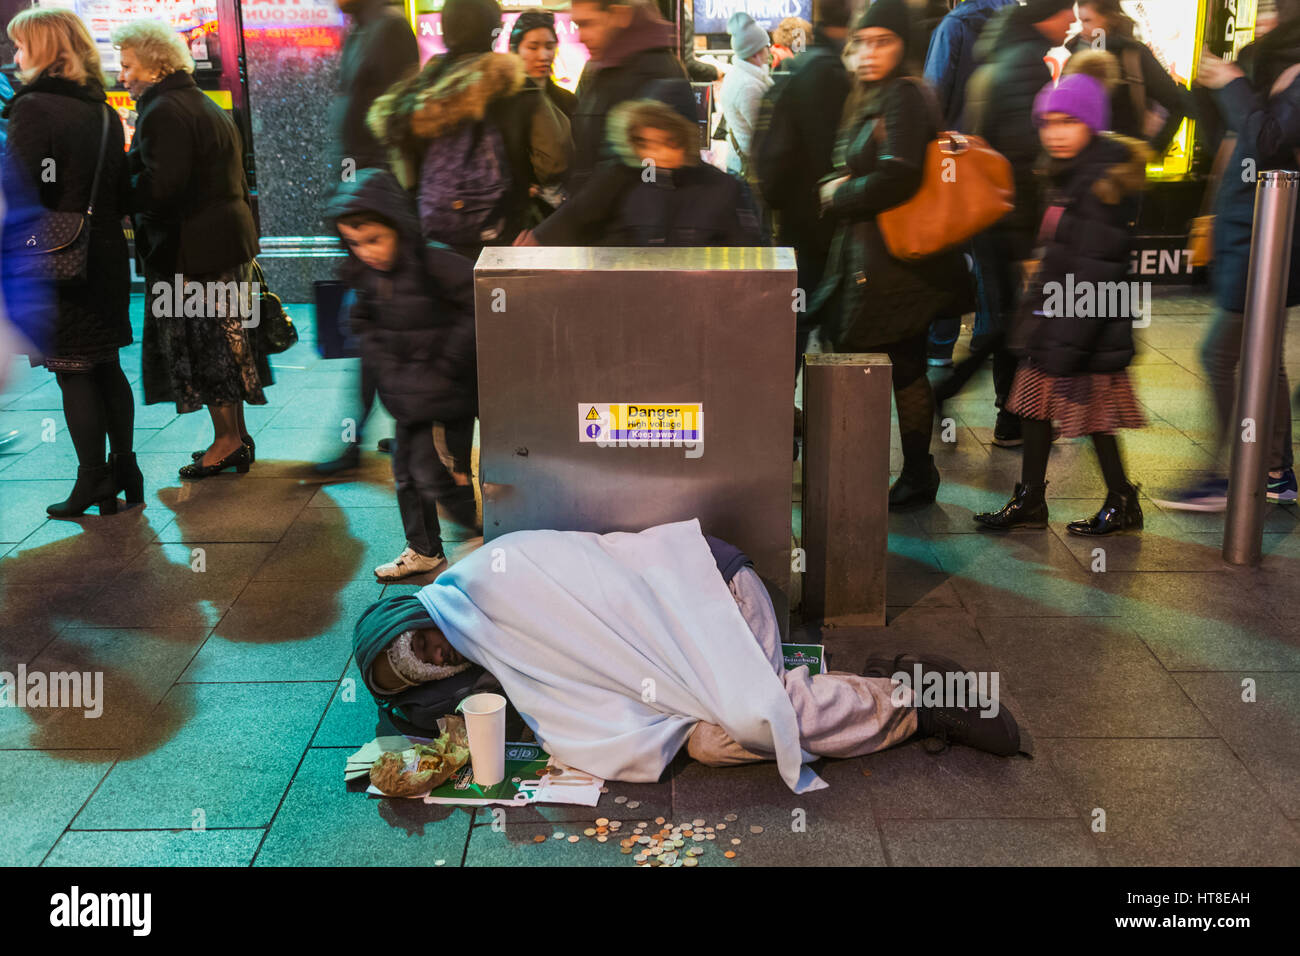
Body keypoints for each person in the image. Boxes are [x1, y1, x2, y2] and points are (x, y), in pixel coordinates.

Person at [353, 519, 1030, 789]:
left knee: (752, 715)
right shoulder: (487, 652)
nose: (438, 652)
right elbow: (574, 684)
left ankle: (918, 701)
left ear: (413, 615)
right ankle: (876, 691)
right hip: (679, 645)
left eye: (421, 642)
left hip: (711, 595)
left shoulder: (496, 576)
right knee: (709, 741)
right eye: (427, 665)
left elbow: (619, 614)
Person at [975, 62, 1149, 533]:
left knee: (1094, 418)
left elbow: (1096, 271)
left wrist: (1066, 344)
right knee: (1033, 405)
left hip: (1084, 325)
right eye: (1048, 122)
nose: (1055, 132)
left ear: (1091, 123)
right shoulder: (1069, 174)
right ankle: (1032, 498)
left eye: (1068, 121)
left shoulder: (1100, 185)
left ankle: (1122, 498)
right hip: (1059, 318)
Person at [810, 0, 963, 512]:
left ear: (903, 46)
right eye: (862, 42)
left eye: (883, 42)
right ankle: (915, 471)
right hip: (883, 257)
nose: (870, 53)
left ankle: (869, 472)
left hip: (890, 262)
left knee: (878, 360)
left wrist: (841, 194)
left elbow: (900, 173)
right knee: (903, 363)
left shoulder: (902, 95)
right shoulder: (877, 94)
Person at [1155, 9, 1300, 509]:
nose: (1264, 21)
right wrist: (1200, 83)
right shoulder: (1262, 66)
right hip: (1245, 227)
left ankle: (1233, 472)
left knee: (1218, 355)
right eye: (1260, 11)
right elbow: (1228, 137)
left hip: (1270, 233)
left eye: (1276, 11)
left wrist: (1234, 82)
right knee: (1264, 358)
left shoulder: (1292, 74)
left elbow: (1266, 142)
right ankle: (1276, 469)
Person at [116, 19, 266, 481]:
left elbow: (165, 189)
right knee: (226, 339)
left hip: (193, 250)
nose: (123, 76)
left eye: (127, 65)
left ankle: (226, 442)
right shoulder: (197, 101)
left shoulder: (163, 111)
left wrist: (124, 194)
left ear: (153, 63)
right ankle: (235, 437)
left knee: (209, 345)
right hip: (220, 242)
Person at [3, 8, 136, 516]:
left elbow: (22, 189)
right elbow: (122, 192)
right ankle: (126, 468)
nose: (15, 55)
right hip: (103, 252)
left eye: (20, 45)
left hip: (55, 254)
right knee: (105, 363)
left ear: (43, 48)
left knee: (72, 370)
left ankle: (93, 481)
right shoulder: (102, 110)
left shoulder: (33, 107)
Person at [326, 168, 479, 582]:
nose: (367, 252)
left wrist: (445, 364)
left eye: (374, 239)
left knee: (443, 474)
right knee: (406, 474)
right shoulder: (367, 275)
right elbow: (364, 329)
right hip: (407, 398)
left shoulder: (433, 262)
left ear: (397, 226)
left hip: (445, 398)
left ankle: (481, 535)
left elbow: (478, 305)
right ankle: (424, 550)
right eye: (355, 243)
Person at [941, 0, 1078, 448]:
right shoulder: (1026, 66)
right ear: (1045, 14)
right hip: (1011, 218)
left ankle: (998, 406)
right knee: (1011, 319)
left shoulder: (1000, 54)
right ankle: (1006, 412)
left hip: (988, 212)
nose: (1073, 21)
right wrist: (1025, 246)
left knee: (1003, 314)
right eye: (1066, 11)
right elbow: (1020, 162)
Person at [368, 0, 559, 254]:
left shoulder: (419, 91)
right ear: (496, 30)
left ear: (445, 30)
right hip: (506, 240)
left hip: (436, 242)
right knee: (496, 294)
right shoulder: (519, 87)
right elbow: (555, 161)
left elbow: (404, 172)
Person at [750, 0, 852, 375]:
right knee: (813, 320)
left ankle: (782, 410)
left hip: (794, 218)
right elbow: (829, 153)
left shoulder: (799, 66)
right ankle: (827, 417)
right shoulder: (830, 72)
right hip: (820, 223)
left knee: (797, 318)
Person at [520, 98, 761, 246]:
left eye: (669, 140)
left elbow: (749, 259)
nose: (658, 152)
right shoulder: (618, 181)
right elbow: (576, 218)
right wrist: (540, 239)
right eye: (645, 142)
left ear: (685, 137)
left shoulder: (723, 188)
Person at [921, 0, 1017, 367]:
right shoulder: (1016, 20)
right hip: (1000, 162)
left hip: (957, 159)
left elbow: (933, 95)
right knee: (990, 257)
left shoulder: (954, 25)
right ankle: (987, 343)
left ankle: (941, 344)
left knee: (953, 251)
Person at [567, 0, 693, 193]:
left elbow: (652, 171)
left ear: (619, 15)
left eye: (587, 24)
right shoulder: (602, 68)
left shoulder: (655, 71)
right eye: (577, 25)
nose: (580, 37)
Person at [1067, 0, 1190, 157]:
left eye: (1087, 20)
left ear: (1109, 18)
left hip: (1125, 164)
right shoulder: (1076, 56)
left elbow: (1176, 103)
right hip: (1083, 162)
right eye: (1080, 21)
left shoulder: (1134, 55)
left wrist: (1152, 150)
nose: (1083, 30)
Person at [330, 0, 419, 176]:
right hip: (356, 172)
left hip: (376, 179)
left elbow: (401, 116)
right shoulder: (359, 30)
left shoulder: (391, 27)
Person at [509, 10, 577, 226]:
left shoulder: (568, 101)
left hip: (565, 217)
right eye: (533, 47)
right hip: (520, 220)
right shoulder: (503, 102)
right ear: (515, 50)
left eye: (549, 46)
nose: (544, 55)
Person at [719, 12, 772, 184]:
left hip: (741, 166)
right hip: (748, 171)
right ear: (755, 53)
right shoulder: (748, 86)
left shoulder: (739, 76)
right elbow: (763, 131)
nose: (769, 50)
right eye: (766, 46)